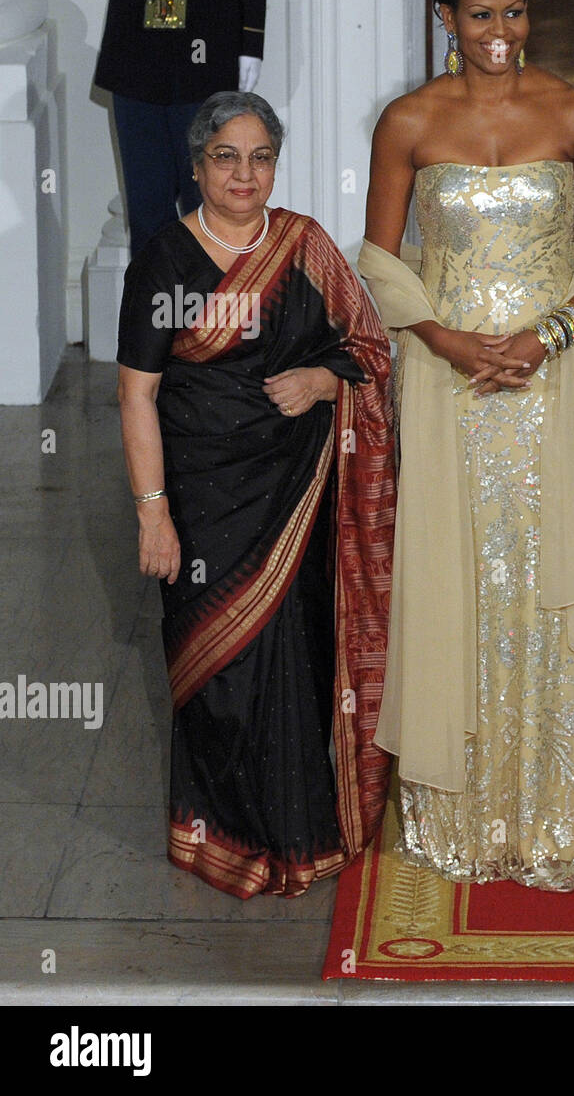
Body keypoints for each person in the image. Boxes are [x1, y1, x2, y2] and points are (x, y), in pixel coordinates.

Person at [359, 0, 574, 892]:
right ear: (444, 14)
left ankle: (553, 816)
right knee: (454, 584)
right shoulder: (408, 121)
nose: (499, 32)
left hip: (552, 386)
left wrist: (544, 336)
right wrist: (440, 338)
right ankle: (458, 818)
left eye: (513, 11)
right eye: (479, 14)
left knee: (545, 592)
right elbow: (382, 259)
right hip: (446, 389)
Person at [116, 91, 395, 898]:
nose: (244, 174)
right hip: (203, 497)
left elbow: (371, 352)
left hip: (301, 495)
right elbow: (137, 395)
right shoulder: (166, 259)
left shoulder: (305, 245)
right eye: (226, 158)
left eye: (260, 157)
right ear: (198, 165)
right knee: (219, 674)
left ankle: (301, 835)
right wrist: (154, 513)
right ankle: (226, 836)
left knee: (297, 662)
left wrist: (320, 379)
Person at [95, 0, 267, 256]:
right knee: (146, 202)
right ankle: (152, 310)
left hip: (207, 19)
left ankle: (213, 312)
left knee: (209, 198)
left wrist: (252, 41)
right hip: (135, 24)